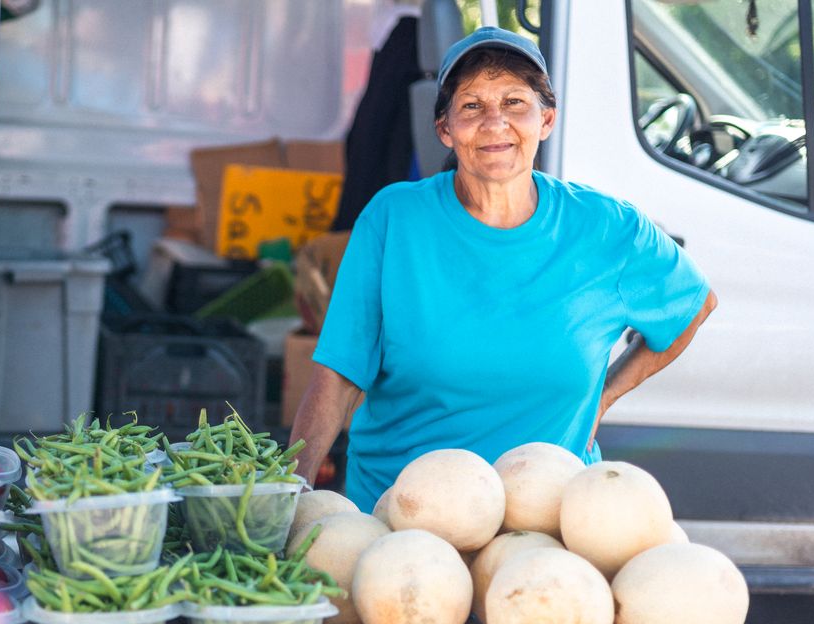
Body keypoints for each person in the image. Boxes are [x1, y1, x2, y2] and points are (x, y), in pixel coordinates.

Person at [290, 27, 717, 514]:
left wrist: (604, 398)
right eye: (472, 105)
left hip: (542, 516)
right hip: (401, 513)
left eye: (515, 102)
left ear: (546, 119)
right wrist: (287, 498)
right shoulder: (394, 219)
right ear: (445, 129)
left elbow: (695, 304)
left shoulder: (606, 228)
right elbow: (338, 376)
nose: (495, 123)